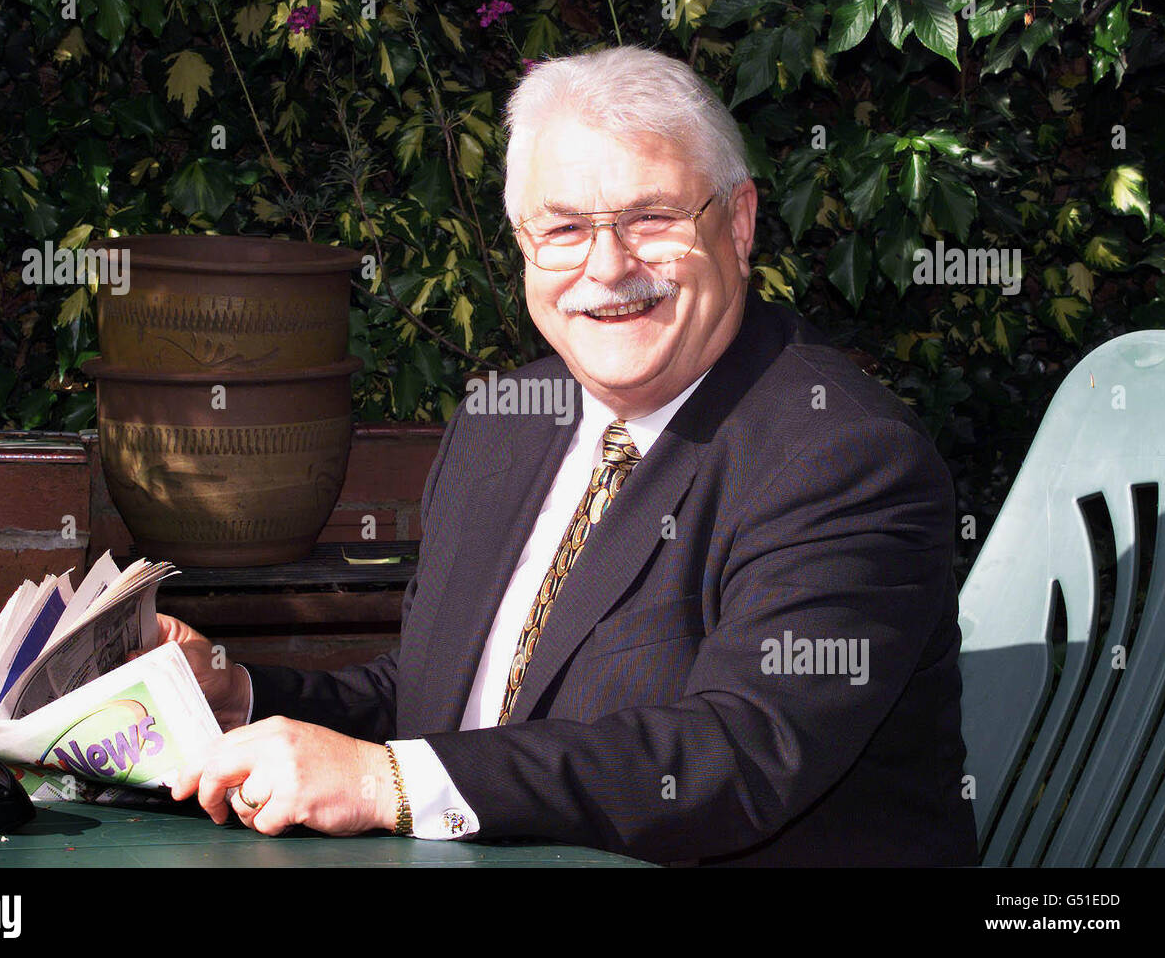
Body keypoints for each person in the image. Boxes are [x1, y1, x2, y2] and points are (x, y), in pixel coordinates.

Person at [160, 44, 979, 866]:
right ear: (523, 244)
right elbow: (444, 704)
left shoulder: (842, 456)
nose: (609, 265)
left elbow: (736, 753)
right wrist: (240, 694)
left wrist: (384, 783)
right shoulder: (502, 422)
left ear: (738, 222)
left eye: (651, 218)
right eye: (563, 229)